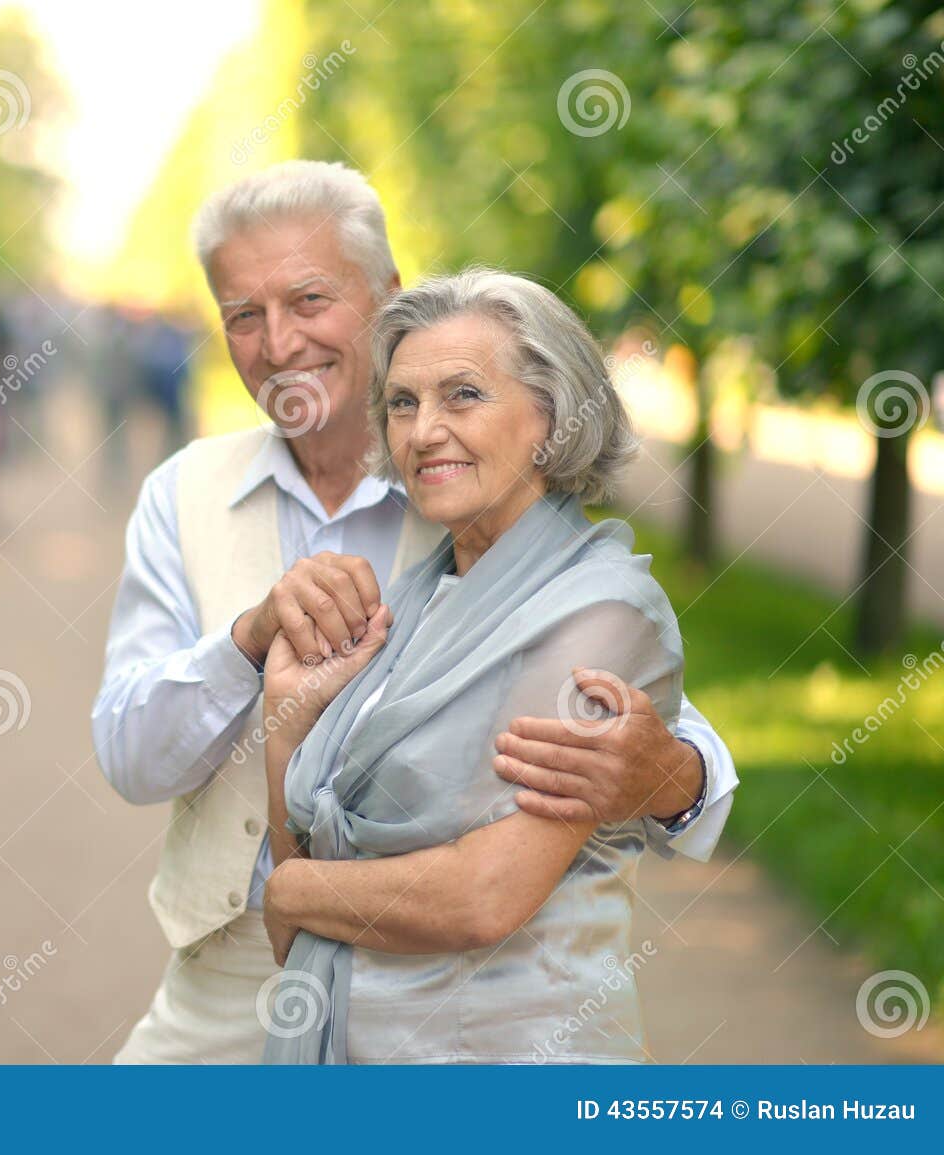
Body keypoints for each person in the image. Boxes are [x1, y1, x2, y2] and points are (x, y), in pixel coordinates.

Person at [92, 160, 737, 1063]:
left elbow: (644, 725)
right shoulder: (182, 492)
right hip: (228, 974)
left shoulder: (475, 507)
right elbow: (128, 753)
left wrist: (672, 775)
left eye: (309, 299)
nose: (278, 343)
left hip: (447, 1001)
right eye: (244, 314)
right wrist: (247, 644)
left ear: (388, 296)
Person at [263, 267, 682, 1063]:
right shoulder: (415, 600)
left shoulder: (603, 613)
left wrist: (291, 894)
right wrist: (286, 718)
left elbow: (485, 892)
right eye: (402, 402)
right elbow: (316, 862)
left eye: (463, 395)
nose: (423, 432)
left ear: (551, 420)